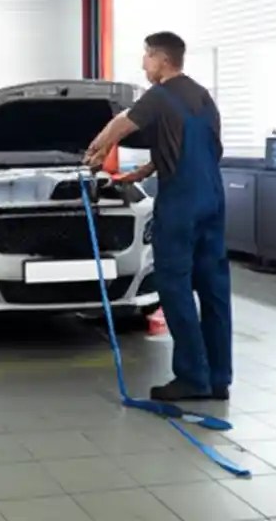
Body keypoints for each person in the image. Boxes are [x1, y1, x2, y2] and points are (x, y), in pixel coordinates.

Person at [83, 31, 232, 402]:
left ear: (162, 59)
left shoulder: (160, 95)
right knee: (213, 288)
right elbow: (200, 145)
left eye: (146, 56)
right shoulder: (203, 96)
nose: (143, 64)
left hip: (181, 203)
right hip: (213, 199)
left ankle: (192, 377)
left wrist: (95, 150)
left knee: (174, 285)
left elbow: (122, 123)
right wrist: (147, 170)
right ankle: (218, 378)